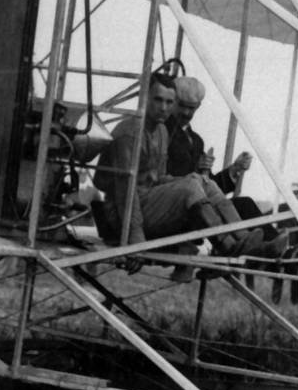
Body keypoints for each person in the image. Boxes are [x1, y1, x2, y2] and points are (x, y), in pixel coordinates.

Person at [94, 73, 282, 265]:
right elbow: (125, 192)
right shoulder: (130, 134)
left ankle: (244, 240)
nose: (164, 108)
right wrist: (135, 239)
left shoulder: (160, 131)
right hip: (120, 217)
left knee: (201, 181)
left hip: (149, 204)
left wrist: (194, 177)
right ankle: (227, 246)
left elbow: (160, 177)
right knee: (191, 186)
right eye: (158, 100)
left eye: (169, 102)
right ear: (144, 99)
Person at [164, 76, 280, 287]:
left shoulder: (195, 140)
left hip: (198, 204)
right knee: (211, 202)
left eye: (193, 108)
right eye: (183, 106)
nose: (187, 114)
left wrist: (233, 171)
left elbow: (209, 188)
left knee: (244, 204)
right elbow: (163, 177)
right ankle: (256, 251)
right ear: (173, 102)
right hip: (177, 207)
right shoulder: (163, 133)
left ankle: (277, 249)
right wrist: (197, 173)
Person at [272, 182, 298, 304]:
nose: (296, 196)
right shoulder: (280, 208)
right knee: (279, 273)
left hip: (296, 247)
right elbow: (267, 218)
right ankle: (275, 302)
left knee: (296, 275)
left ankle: (295, 303)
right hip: (282, 246)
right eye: (294, 193)